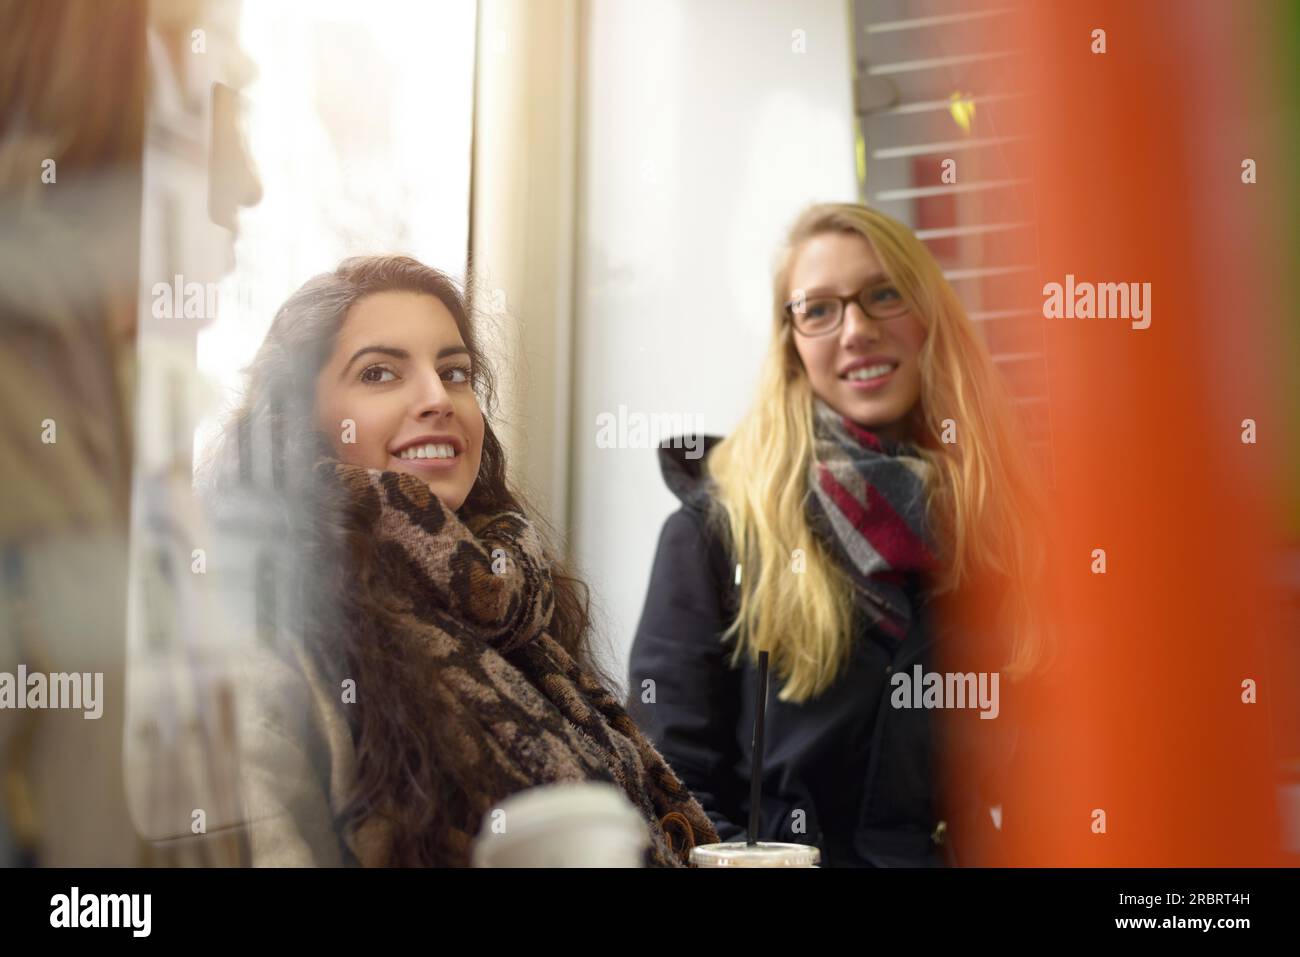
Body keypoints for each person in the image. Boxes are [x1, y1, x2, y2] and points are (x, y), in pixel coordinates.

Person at [199, 254, 717, 866]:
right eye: (380, 374)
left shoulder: (518, 605)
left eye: (455, 371)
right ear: (295, 422)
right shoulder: (264, 627)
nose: (436, 397)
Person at [627, 202, 1050, 867]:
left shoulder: (1006, 525)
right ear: (790, 342)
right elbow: (672, 787)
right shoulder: (717, 530)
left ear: (931, 316)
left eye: (884, 294)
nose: (856, 330)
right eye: (818, 309)